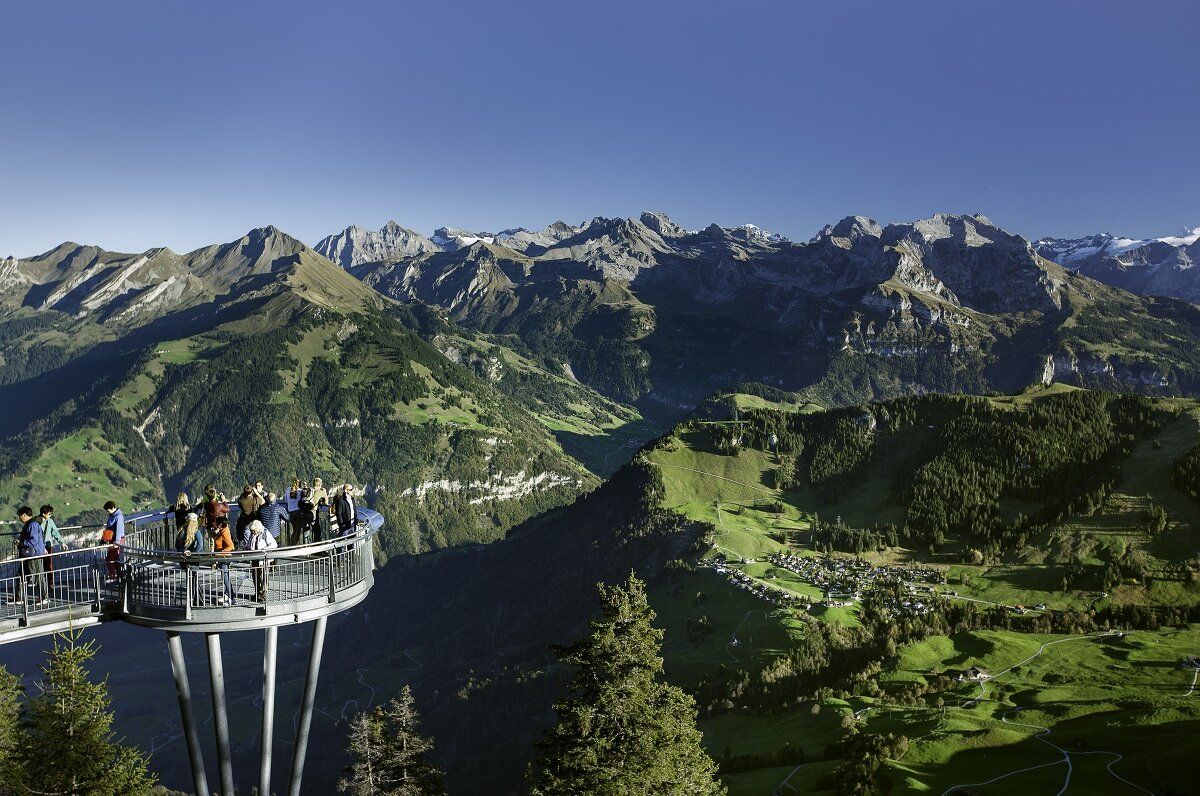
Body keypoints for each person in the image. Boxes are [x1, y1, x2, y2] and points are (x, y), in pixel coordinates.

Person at [16, 507, 47, 605]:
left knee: (38, 576)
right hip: (28, 554)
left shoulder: (32, 525)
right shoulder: (30, 524)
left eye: (20, 516)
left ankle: (44, 597)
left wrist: (21, 543)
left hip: (34, 554)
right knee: (21, 575)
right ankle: (18, 597)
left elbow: (33, 541)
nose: (20, 518)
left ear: (24, 515)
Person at [243, 519, 278, 603]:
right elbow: (250, 543)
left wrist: (264, 550)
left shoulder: (265, 533)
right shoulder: (253, 534)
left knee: (263, 578)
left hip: (263, 560)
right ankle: (257, 593)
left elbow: (274, 544)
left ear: (258, 529)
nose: (253, 532)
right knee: (255, 577)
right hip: (255, 559)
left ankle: (263, 595)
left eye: (254, 531)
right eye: (252, 531)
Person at [208, 517, 236, 606]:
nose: (216, 524)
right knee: (226, 577)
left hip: (224, 558)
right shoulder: (223, 530)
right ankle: (230, 595)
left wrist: (222, 552)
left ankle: (231, 597)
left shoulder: (225, 532)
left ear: (220, 524)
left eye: (217, 523)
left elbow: (231, 546)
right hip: (222, 557)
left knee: (225, 578)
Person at [39, 505, 64, 591]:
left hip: (47, 546)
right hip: (39, 546)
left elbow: (55, 533)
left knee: (48, 565)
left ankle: (50, 583)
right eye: (49, 513)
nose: (50, 515)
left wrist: (62, 543)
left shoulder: (50, 521)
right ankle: (41, 584)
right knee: (39, 566)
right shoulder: (37, 522)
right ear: (43, 513)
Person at [100, 500, 125, 582]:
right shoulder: (112, 515)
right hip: (113, 540)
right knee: (115, 559)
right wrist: (104, 539)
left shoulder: (118, 516)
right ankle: (119, 575)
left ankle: (113, 576)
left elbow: (118, 530)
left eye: (108, 510)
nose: (108, 512)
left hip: (117, 540)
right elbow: (109, 528)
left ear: (112, 508)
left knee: (110, 559)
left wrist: (116, 542)